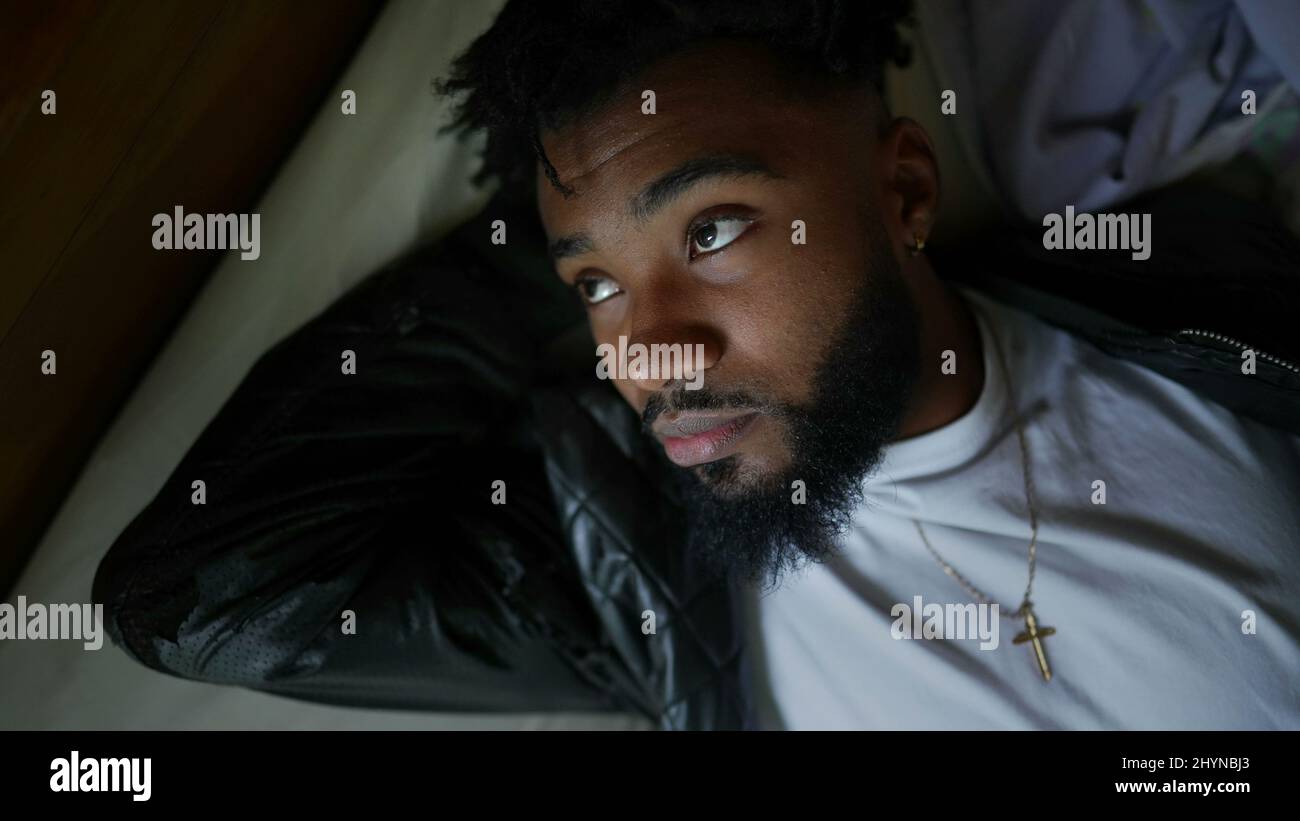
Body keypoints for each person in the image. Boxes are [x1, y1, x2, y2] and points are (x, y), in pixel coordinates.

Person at [95, 0, 1300, 730]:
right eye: (594, 289)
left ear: (904, 190)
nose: (647, 352)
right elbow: (204, 602)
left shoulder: (1206, 293)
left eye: (713, 229)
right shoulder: (630, 566)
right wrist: (559, 223)